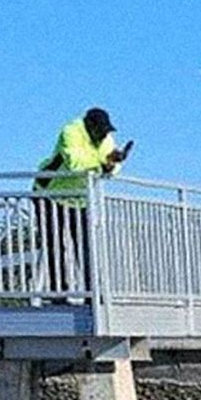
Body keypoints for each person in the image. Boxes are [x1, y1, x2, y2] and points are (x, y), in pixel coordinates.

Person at [33, 107, 130, 293]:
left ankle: (92, 292)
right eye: (100, 131)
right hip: (49, 194)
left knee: (85, 247)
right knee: (54, 245)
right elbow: (74, 164)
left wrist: (113, 164)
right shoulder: (71, 132)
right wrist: (103, 165)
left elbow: (110, 166)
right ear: (89, 126)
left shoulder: (106, 138)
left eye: (106, 132)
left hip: (78, 199)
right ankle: (59, 292)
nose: (103, 136)